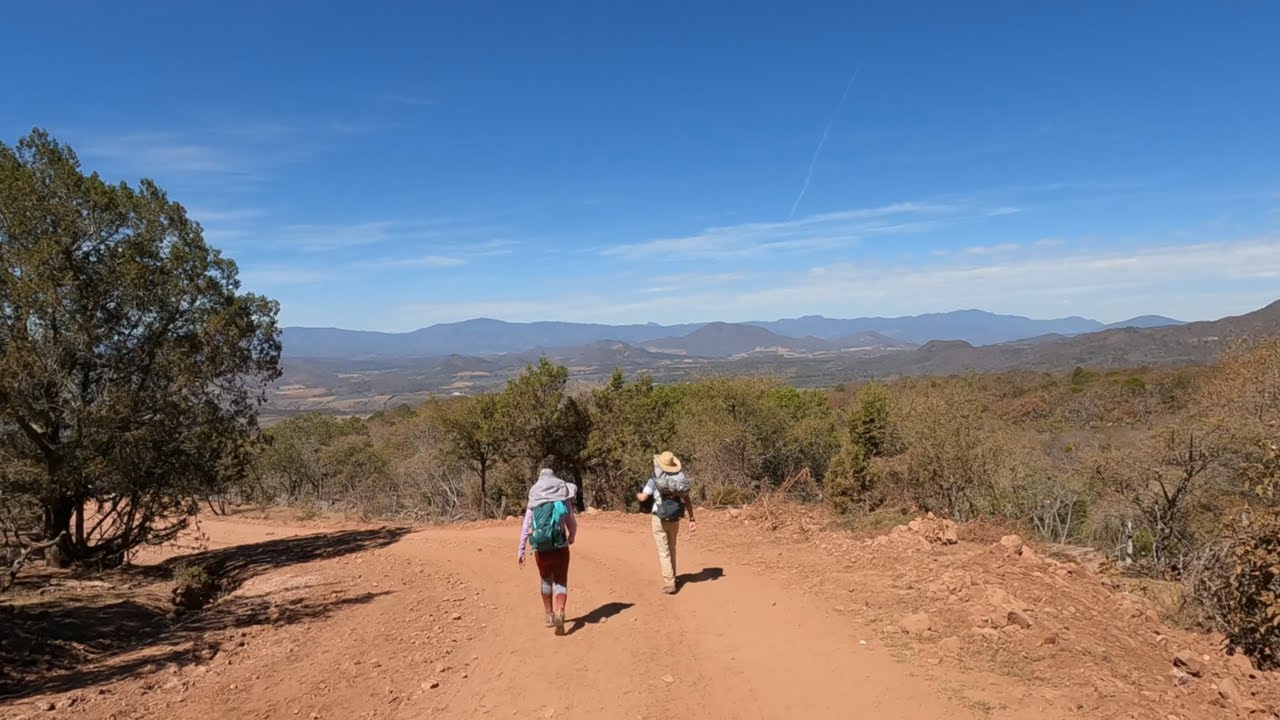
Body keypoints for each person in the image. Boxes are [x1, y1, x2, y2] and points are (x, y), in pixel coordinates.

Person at [517, 467, 578, 635]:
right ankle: (560, 611)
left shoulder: (534, 498)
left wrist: (521, 550)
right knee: (560, 581)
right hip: (560, 546)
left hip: (541, 549)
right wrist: (571, 536)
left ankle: (549, 616)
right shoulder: (562, 495)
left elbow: (526, 526)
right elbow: (570, 521)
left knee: (545, 581)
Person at [636, 451, 696, 594]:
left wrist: (637, 495)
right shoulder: (680, 480)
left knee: (663, 551)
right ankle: (673, 576)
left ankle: (670, 582)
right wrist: (692, 519)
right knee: (672, 547)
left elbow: (644, 497)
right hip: (675, 518)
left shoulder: (654, 479)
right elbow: (687, 500)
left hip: (659, 517)